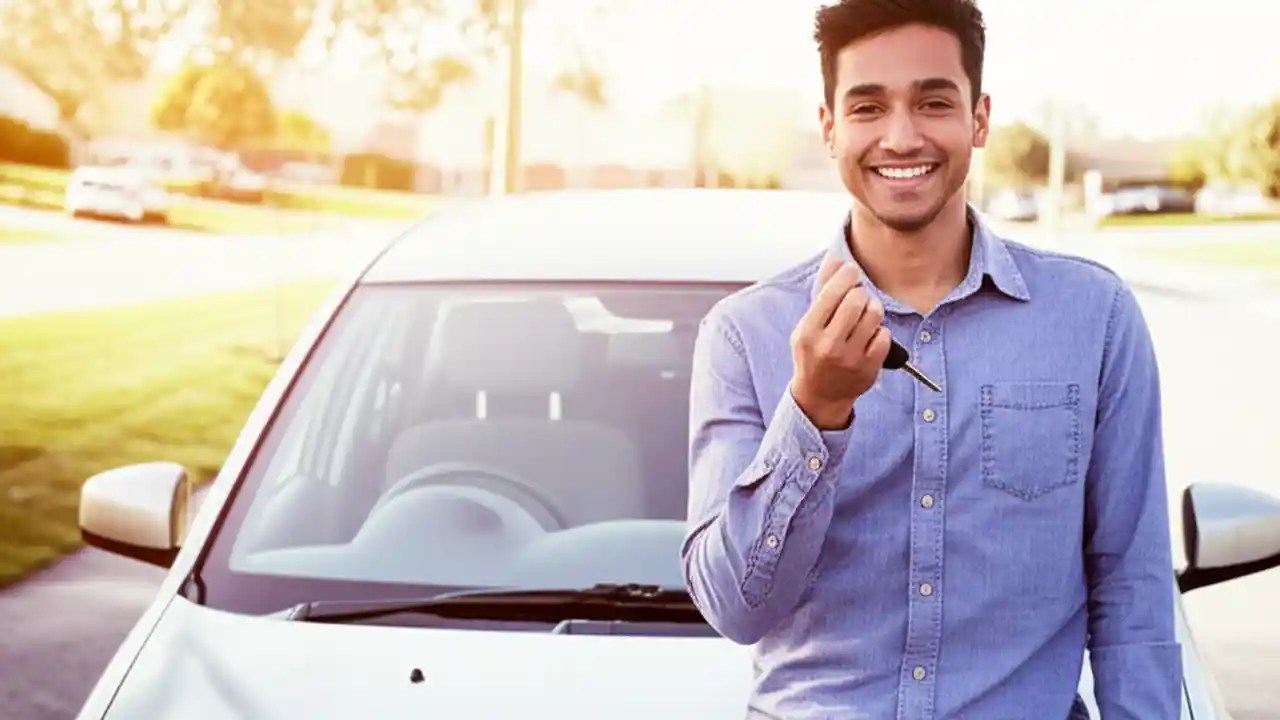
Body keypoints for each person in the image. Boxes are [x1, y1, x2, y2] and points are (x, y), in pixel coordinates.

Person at [680, 0, 1183, 718]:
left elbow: (1132, 590)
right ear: (829, 127)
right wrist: (815, 411)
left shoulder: (1094, 319)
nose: (901, 136)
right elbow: (736, 608)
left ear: (979, 118)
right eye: (867, 107)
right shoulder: (743, 335)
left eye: (933, 102)